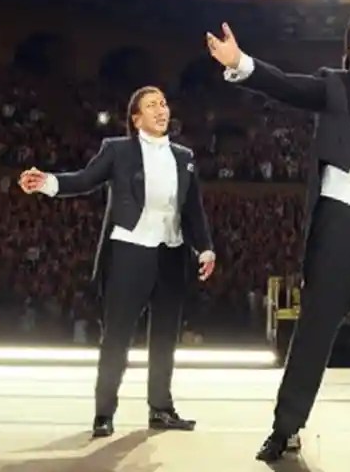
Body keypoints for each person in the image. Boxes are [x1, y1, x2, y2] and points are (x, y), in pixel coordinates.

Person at [205, 5, 350, 463]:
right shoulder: (335, 84)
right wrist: (241, 63)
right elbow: (287, 86)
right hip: (342, 215)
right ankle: (286, 426)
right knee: (317, 323)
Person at [19, 86, 216, 438]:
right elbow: (84, 180)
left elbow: (192, 210)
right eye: (151, 105)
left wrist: (205, 248)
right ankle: (104, 413)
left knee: (165, 336)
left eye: (164, 104)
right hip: (130, 250)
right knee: (118, 336)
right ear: (136, 118)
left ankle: (161, 408)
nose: (161, 110)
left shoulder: (184, 156)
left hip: (171, 252)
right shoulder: (118, 150)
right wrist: (47, 182)